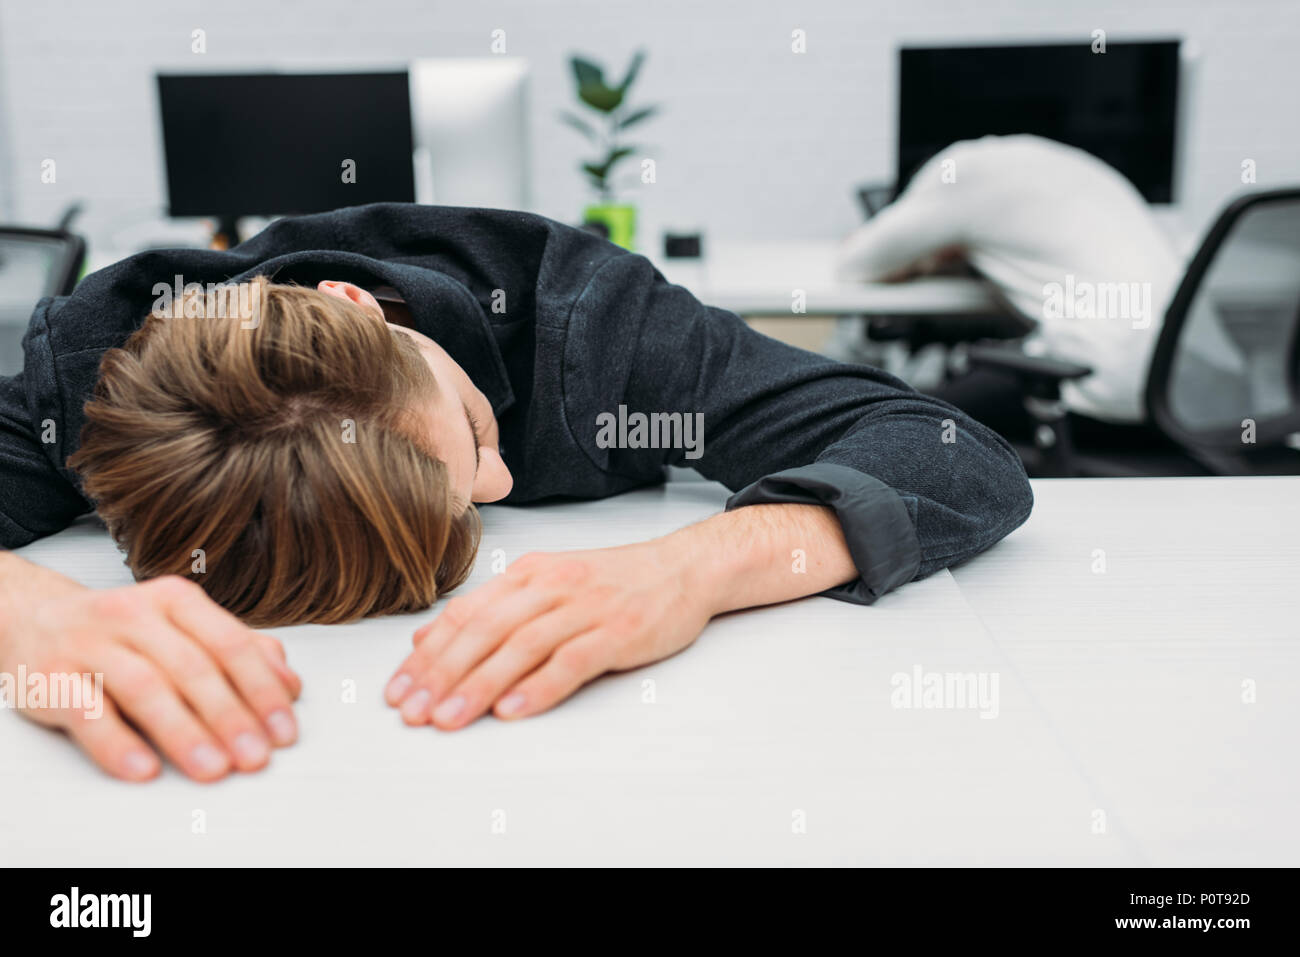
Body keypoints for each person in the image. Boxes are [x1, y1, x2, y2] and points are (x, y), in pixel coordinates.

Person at [0, 202, 1032, 782]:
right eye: (473, 472)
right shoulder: (86, 382)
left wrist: (696, 567)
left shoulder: (589, 317)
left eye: (476, 438)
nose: (498, 482)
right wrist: (31, 613)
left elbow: (950, 450)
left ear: (363, 308)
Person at [835, 134, 1237, 443]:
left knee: (912, 426)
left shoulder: (957, 174)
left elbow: (858, 264)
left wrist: (926, 257)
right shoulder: (1064, 163)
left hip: (1107, 382)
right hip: (1195, 388)